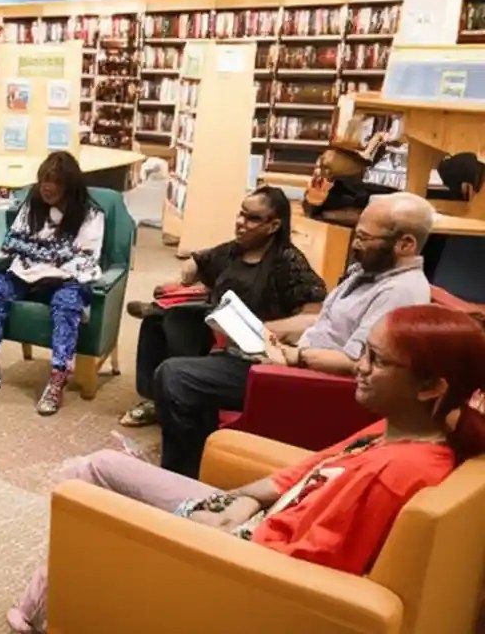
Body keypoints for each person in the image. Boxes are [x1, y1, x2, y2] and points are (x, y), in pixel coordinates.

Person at [5, 303, 485, 633]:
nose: (358, 367)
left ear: (430, 387)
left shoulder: (397, 472)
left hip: (243, 556)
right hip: (247, 520)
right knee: (100, 466)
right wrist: (247, 497)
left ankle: (44, 610)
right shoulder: (407, 426)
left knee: (83, 486)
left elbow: (309, 566)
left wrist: (224, 529)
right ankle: (47, 603)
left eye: (377, 360)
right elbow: (314, 467)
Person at [155, 192, 436, 478]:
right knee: (196, 353)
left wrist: (294, 356)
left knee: (177, 376)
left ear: (405, 244)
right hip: (293, 359)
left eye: (364, 238)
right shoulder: (368, 273)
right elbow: (325, 322)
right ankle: (204, 465)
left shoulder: (399, 292)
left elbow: (356, 362)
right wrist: (268, 332)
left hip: (307, 384)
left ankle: (181, 475)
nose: (355, 245)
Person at [119, 187, 328, 427]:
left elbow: (314, 313)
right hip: (218, 324)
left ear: (273, 226)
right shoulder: (235, 250)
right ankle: (156, 399)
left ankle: (181, 387)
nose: (241, 222)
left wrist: (266, 329)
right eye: (241, 214)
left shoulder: (288, 261)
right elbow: (200, 260)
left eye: (252, 219)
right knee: (157, 321)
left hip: (250, 342)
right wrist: (185, 275)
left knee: (176, 321)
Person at [0, 151, 105, 415]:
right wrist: (49, 252)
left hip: (66, 280)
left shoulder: (90, 214)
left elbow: (84, 257)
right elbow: (13, 242)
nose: (47, 187)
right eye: (44, 180)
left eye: (55, 182)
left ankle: (58, 378)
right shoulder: (32, 204)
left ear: (69, 185)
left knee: (67, 304)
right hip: (26, 274)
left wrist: (38, 251)